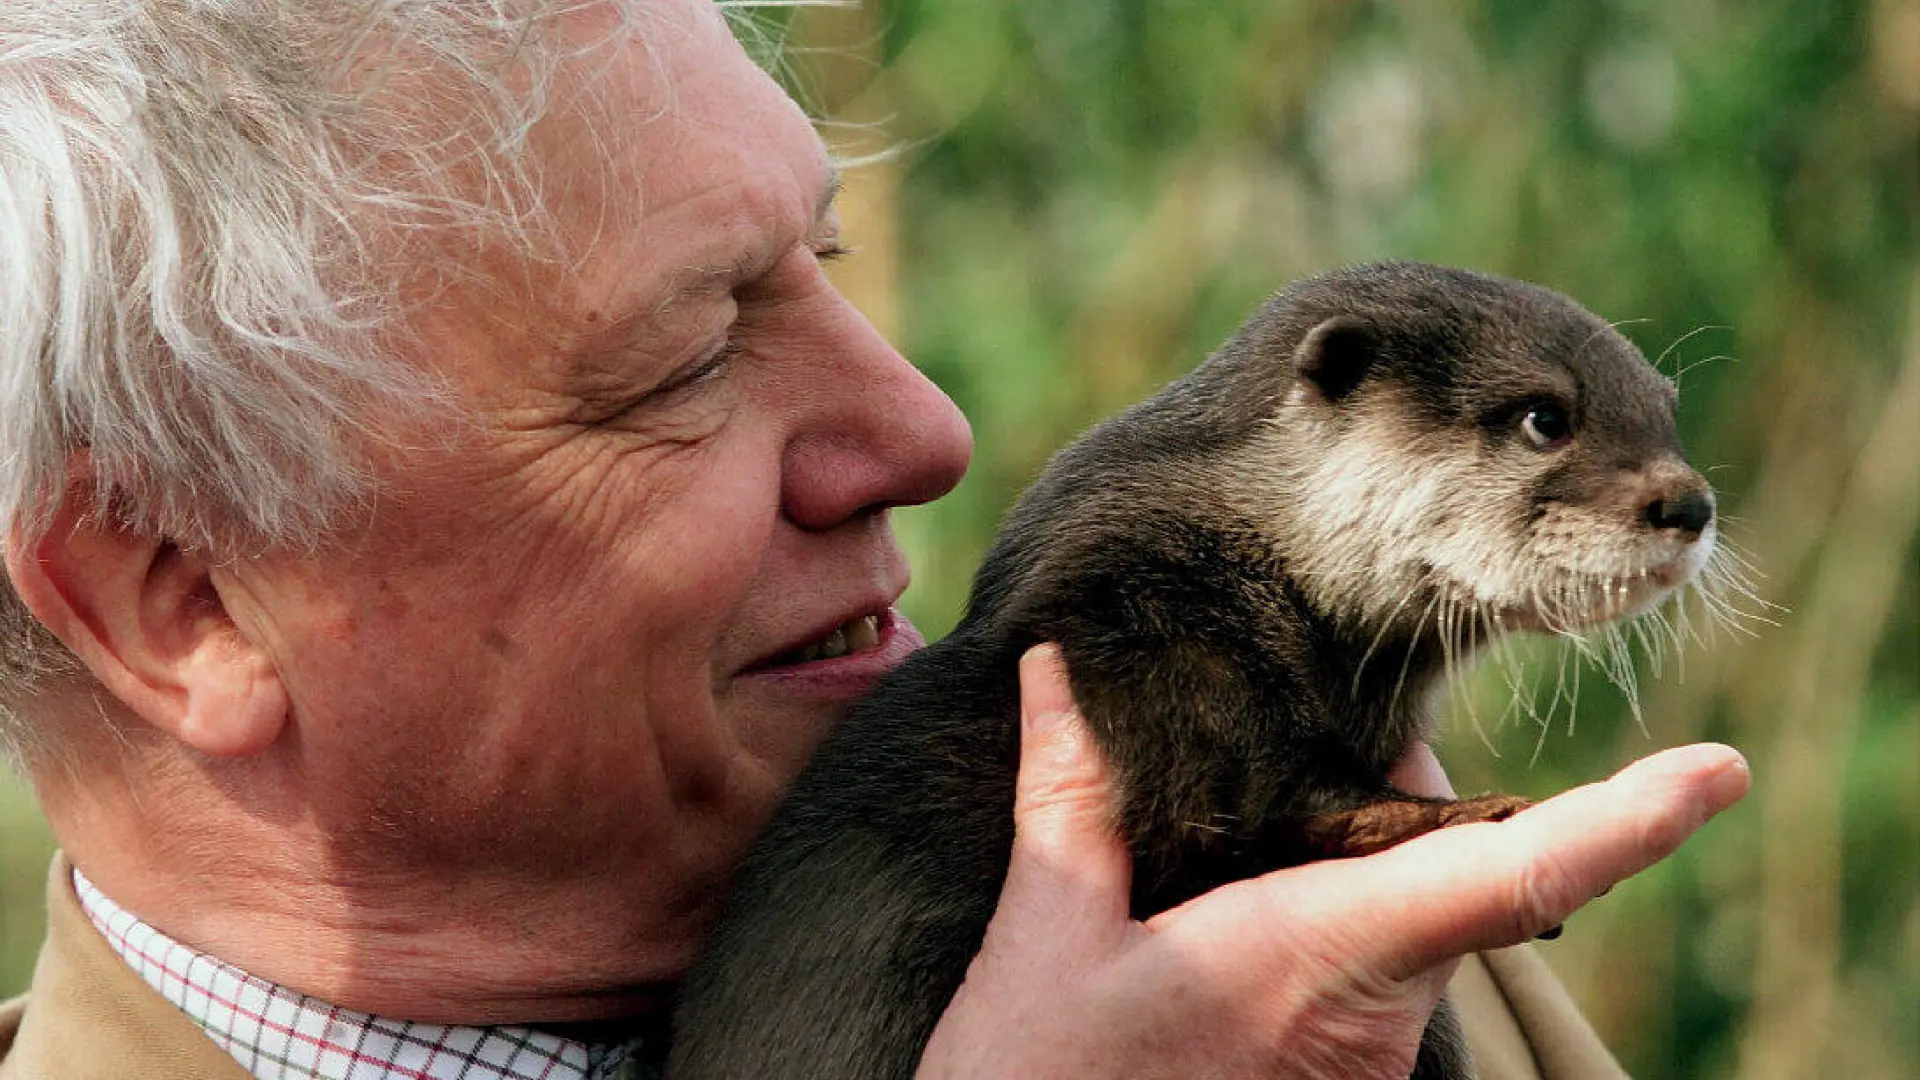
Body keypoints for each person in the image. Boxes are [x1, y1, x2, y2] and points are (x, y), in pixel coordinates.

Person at [0, 2, 1747, 1078]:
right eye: (686, 359)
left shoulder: (1360, 951)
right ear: (184, 601)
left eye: (819, 266)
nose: (924, 434)